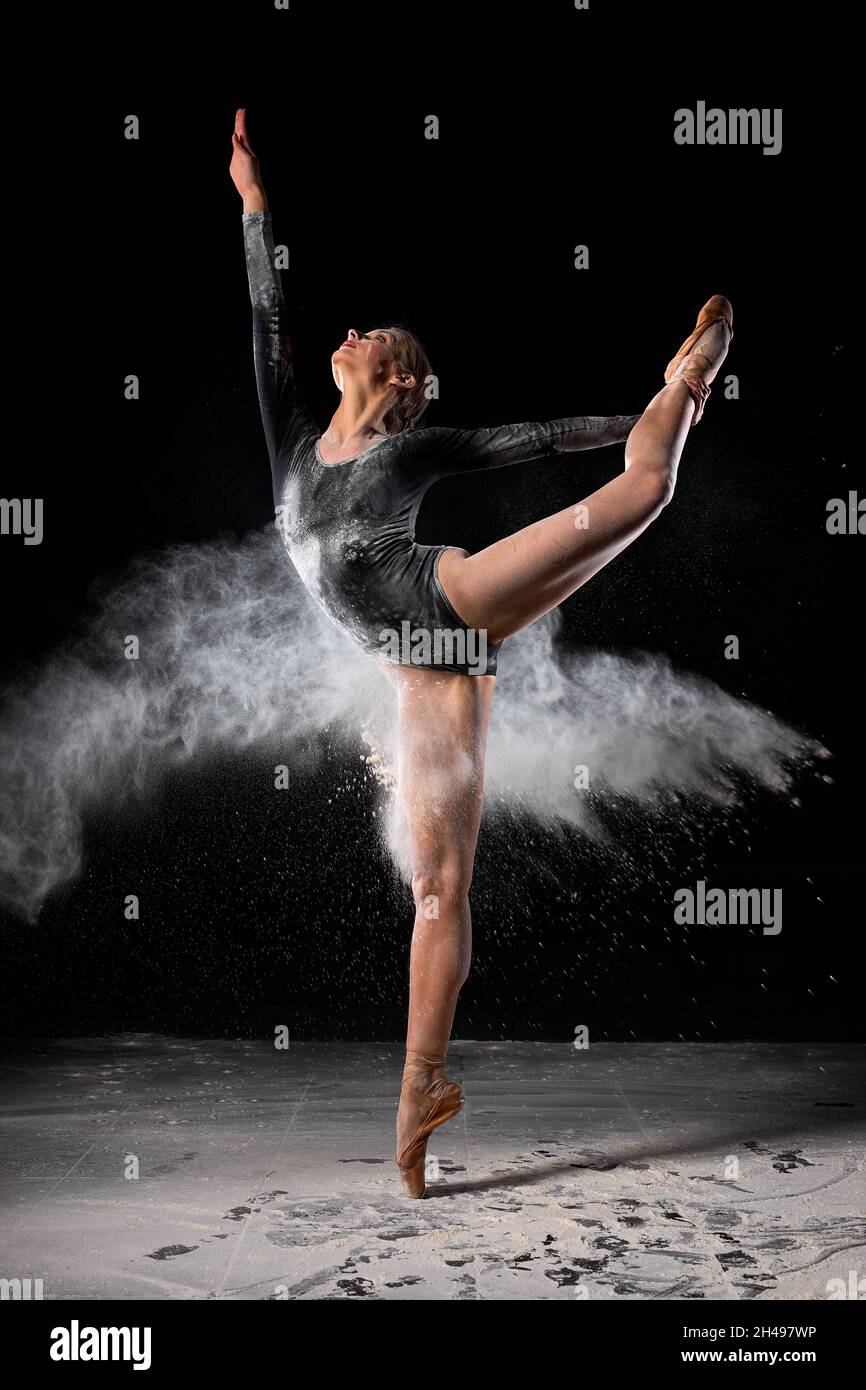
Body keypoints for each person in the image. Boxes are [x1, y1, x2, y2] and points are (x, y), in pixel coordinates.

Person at [230, 107, 733, 1197]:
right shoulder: (291, 431)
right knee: (438, 888)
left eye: (377, 339)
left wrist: (634, 407)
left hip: (443, 599)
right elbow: (269, 320)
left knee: (642, 487)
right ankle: (422, 1093)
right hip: (413, 665)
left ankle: (685, 383)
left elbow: (542, 437)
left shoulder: (416, 444)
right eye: (355, 330)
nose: (352, 332)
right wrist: (253, 204)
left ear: (404, 383)